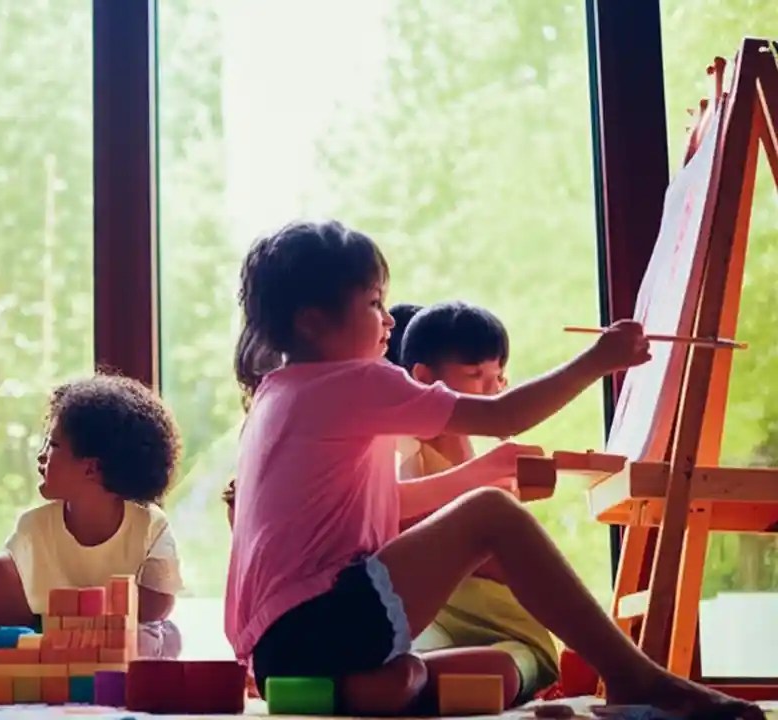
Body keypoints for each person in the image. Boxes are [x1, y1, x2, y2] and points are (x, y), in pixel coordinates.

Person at [225, 218, 761, 719]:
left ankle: (368, 684)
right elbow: (506, 415)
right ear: (313, 322)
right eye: (372, 302)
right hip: (322, 619)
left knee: (483, 655)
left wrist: (468, 478)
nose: (388, 319)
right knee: (494, 515)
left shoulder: (277, 394)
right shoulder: (355, 381)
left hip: (279, 651)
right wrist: (599, 360)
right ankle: (633, 675)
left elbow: (389, 500)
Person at [390, 300, 559, 706]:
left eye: (498, 377)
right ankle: (400, 682)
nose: (493, 389)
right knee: (403, 655)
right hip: (435, 616)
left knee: (505, 667)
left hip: (505, 627)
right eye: (475, 375)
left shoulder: (479, 456)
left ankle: (407, 686)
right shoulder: (402, 448)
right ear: (423, 379)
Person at [0, 374, 183, 658]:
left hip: (126, 631)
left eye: (53, 445)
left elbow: (158, 605)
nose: (41, 456)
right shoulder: (34, 526)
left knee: (152, 639)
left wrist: (97, 620)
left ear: (91, 469)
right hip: (52, 634)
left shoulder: (150, 525)